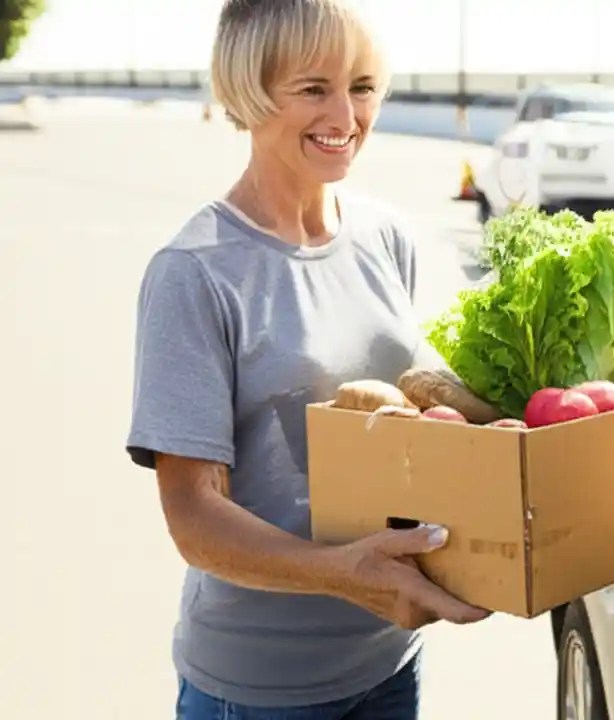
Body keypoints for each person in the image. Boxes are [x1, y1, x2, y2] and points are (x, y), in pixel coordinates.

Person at [125, 1, 489, 717]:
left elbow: (407, 426)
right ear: (249, 92)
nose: (347, 116)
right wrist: (340, 574)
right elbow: (194, 518)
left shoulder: (387, 234)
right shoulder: (195, 271)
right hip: (260, 687)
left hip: (389, 661)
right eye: (313, 89)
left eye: (361, 86)